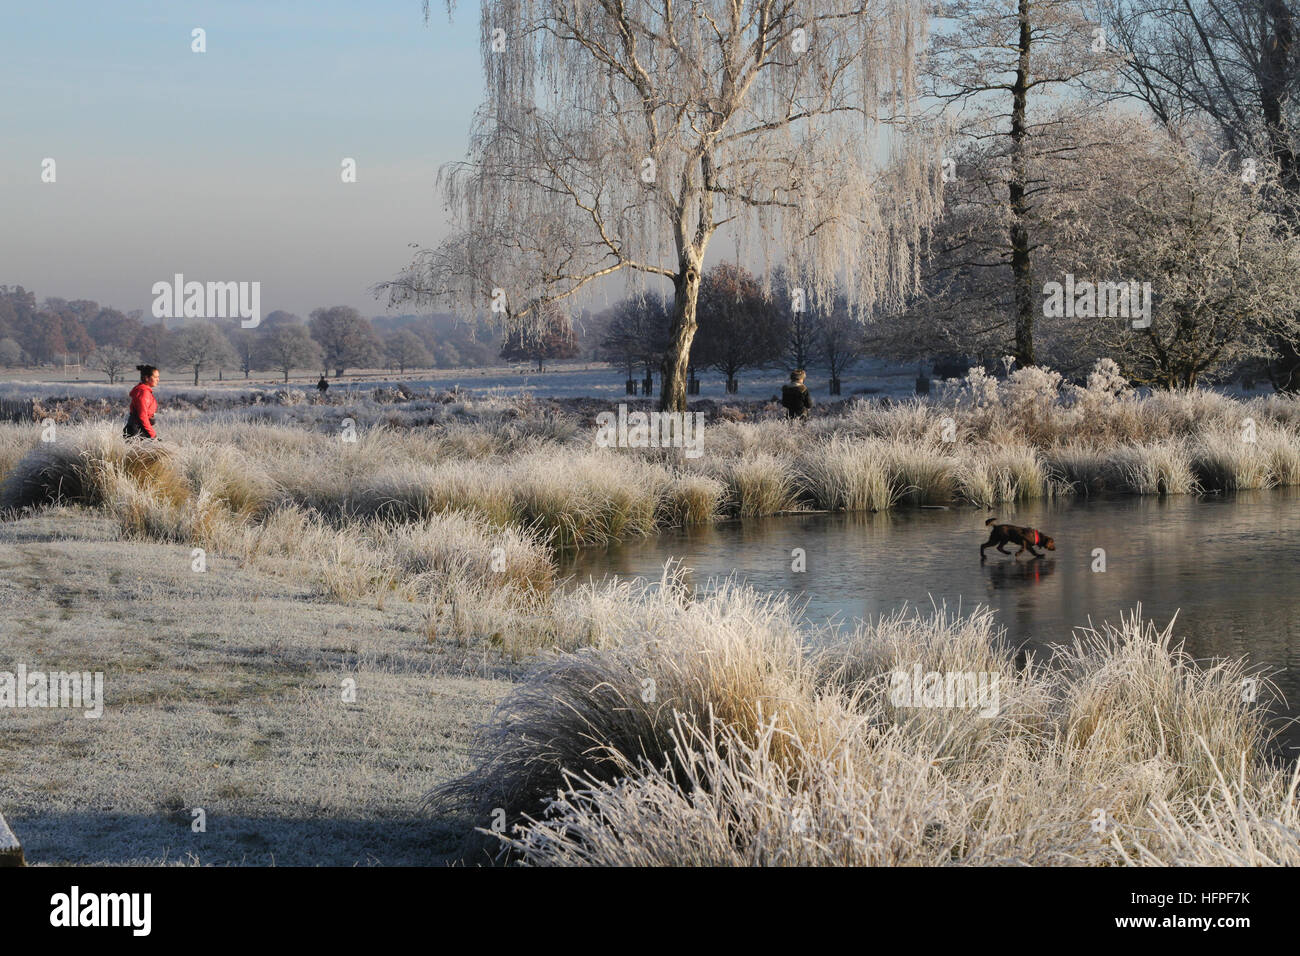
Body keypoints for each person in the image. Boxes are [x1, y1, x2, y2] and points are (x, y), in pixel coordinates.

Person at [124, 365, 159, 440]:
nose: (158, 379)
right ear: (147, 378)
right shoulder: (144, 393)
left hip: (139, 429)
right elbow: (142, 416)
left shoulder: (144, 391)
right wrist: (153, 435)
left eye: (158, 377)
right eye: (155, 377)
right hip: (137, 431)